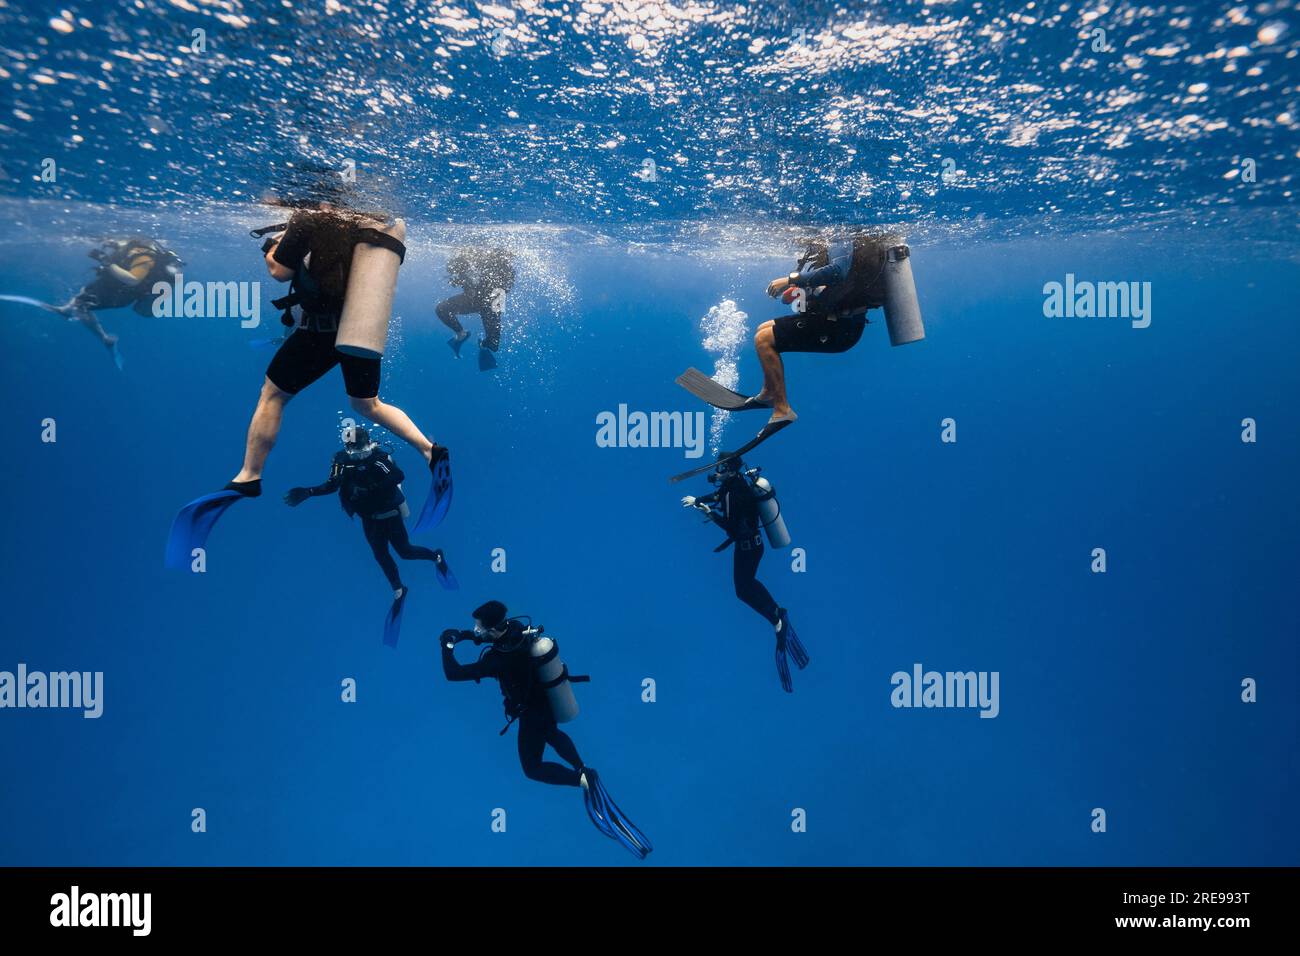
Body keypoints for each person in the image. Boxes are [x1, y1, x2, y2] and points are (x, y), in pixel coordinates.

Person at [164, 188, 453, 571]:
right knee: (367, 404)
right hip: (361, 330)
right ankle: (430, 451)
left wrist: (274, 248)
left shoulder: (307, 217)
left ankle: (248, 476)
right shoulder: (367, 219)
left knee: (273, 395)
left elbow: (279, 271)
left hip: (319, 332)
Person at [440, 601, 653, 859]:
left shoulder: (499, 660)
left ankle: (582, 779)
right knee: (551, 733)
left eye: (479, 626)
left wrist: (447, 646)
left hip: (529, 715)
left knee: (532, 768)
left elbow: (454, 673)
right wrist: (464, 634)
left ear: (494, 630)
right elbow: (483, 636)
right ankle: (582, 767)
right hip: (543, 702)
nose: (475, 629)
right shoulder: (516, 631)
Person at [283, 427, 457, 604]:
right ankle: (398, 589)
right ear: (347, 449)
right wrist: (309, 492)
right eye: (354, 453)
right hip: (368, 518)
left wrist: (370, 490)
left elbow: (398, 475)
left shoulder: (377, 458)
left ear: (369, 445)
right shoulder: (341, 461)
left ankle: (436, 556)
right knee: (380, 555)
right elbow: (332, 485)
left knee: (405, 551)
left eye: (362, 452)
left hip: (389, 515)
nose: (359, 457)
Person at [681, 456, 809, 692]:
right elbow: (720, 497)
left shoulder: (735, 493)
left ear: (729, 470)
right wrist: (700, 500)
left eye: (719, 468)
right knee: (745, 586)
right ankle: (778, 617)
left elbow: (730, 525)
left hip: (747, 547)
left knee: (744, 588)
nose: (715, 472)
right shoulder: (734, 485)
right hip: (750, 546)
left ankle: (778, 617)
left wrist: (709, 512)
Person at [748, 233, 890, 425]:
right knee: (762, 329)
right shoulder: (840, 242)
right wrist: (800, 289)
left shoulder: (839, 234)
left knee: (764, 339)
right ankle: (768, 393)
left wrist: (791, 280)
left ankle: (782, 409)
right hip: (837, 321)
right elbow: (836, 283)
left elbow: (838, 272)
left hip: (840, 328)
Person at [52, 237, 183, 367]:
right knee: (85, 292)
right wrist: (110, 243)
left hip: (122, 295)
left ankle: (104, 338)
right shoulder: (134, 247)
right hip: (117, 287)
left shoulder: (144, 258)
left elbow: (133, 279)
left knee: (82, 305)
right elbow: (120, 244)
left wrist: (106, 262)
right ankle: (66, 310)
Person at [435, 246, 515, 370]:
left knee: (494, 345)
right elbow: (451, 268)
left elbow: (506, 288)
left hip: (494, 300)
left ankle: (482, 345)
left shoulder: (505, 263)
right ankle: (461, 334)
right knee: (441, 309)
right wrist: (461, 276)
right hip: (473, 298)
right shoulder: (471, 253)